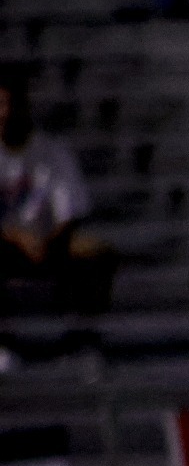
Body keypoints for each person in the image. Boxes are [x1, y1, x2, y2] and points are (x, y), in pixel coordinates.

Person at [1, 70, 112, 342]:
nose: (4, 114)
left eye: (9, 105)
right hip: (7, 243)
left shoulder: (53, 151)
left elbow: (71, 209)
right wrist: (17, 237)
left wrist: (48, 240)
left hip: (51, 242)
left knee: (97, 253)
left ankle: (82, 336)